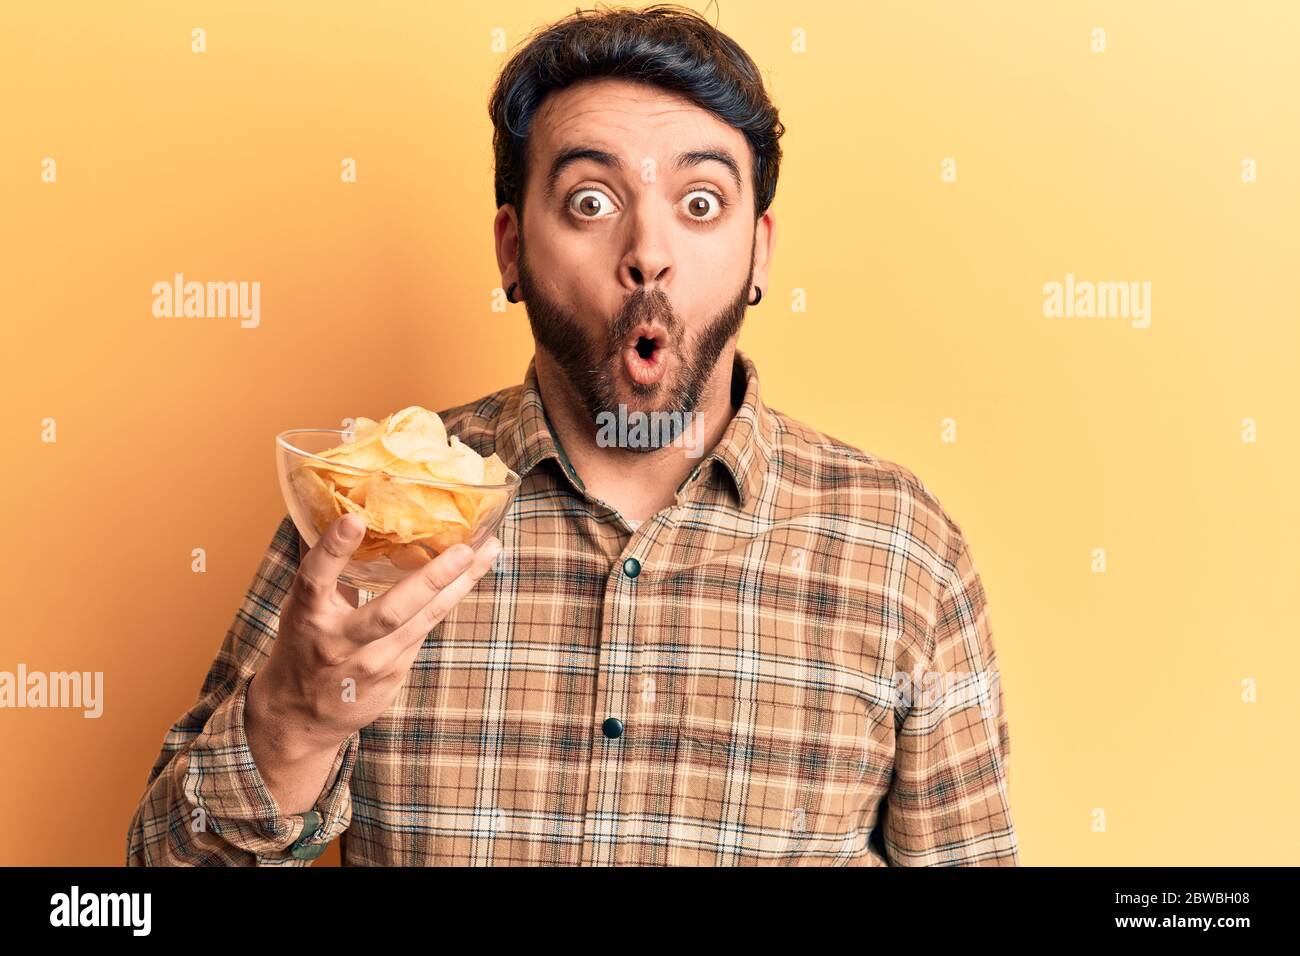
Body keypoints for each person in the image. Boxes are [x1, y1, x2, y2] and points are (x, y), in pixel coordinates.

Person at [127, 3, 1018, 866]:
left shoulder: (902, 548)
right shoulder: (367, 509)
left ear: (761, 250)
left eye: (701, 203)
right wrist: (294, 720)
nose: (649, 250)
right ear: (512, 249)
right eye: (590, 201)